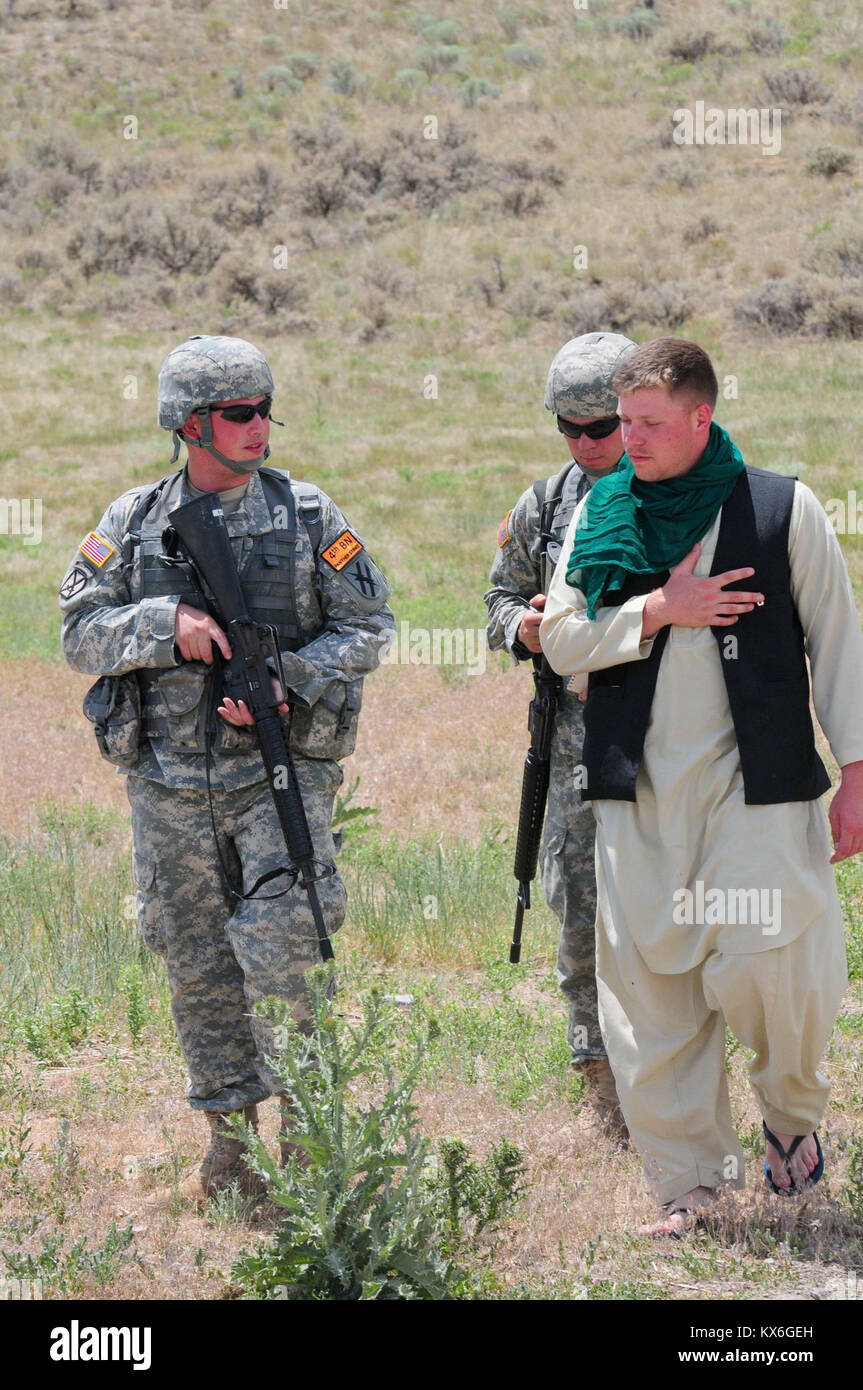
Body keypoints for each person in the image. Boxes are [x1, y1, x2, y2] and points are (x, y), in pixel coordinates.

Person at [540, 337, 863, 1235]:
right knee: (650, 993)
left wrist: (858, 775)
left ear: (699, 418)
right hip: (636, 791)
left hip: (756, 787)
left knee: (771, 959)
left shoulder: (778, 508)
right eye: (621, 423)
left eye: (646, 424)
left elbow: (838, 641)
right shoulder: (601, 517)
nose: (627, 441)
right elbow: (561, 639)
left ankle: (791, 1125)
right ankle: (694, 1186)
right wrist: (655, 610)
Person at [59, 334, 395, 1197]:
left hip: (278, 778)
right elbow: (76, 631)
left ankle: (313, 1142)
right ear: (188, 425)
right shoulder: (134, 521)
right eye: (237, 414)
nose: (258, 427)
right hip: (170, 786)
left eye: (263, 410)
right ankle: (229, 1147)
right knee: (198, 965)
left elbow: (368, 625)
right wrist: (161, 626)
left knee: (285, 951)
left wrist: (290, 677)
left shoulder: (307, 516)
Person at [484, 332, 636, 1140]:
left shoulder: (678, 495)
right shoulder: (543, 505)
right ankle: (598, 1078)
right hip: (572, 741)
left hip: (658, 732)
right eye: (569, 430)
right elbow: (496, 602)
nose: (586, 444)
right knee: (577, 906)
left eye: (601, 427)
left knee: (669, 911)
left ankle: (672, 1074)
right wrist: (525, 628)